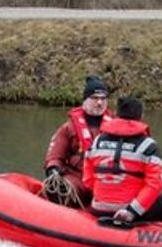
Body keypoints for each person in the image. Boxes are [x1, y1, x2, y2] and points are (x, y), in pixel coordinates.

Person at [83, 96, 162, 224]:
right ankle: (156, 233)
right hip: (128, 210)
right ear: (140, 116)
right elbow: (155, 184)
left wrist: (106, 195)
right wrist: (131, 211)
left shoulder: (98, 140)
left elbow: (87, 180)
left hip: (99, 207)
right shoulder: (148, 146)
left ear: (116, 114)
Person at [43, 76, 112, 207]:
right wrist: (53, 169)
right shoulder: (69, 128)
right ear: (85, 100)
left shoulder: (116, 126)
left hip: (107, 181)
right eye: (95, 98)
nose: (99, 103)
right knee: (61, 189)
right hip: (77, 178)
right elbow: (55, 155)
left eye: (103, 99)